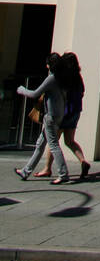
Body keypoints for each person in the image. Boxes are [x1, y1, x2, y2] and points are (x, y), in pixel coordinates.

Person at [14, 53, 70, 184]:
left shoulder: (52, 78)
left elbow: (35, 93)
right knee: (40, 144)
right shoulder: (63, 78)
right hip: (58, 114)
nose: (47, 66)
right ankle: (26, 171)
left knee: (53, 145)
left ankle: (63, 174)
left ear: (51, 65)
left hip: (50, 116)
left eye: (48, 64)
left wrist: (22, 90)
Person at [33, 52, 90, 181]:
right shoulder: (78, 77)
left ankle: (47, 168)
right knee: (70, 141)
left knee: (53, 141)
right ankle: (83, 161)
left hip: (63, 112)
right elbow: (82, 92)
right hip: (75, 112)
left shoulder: (63, 77)